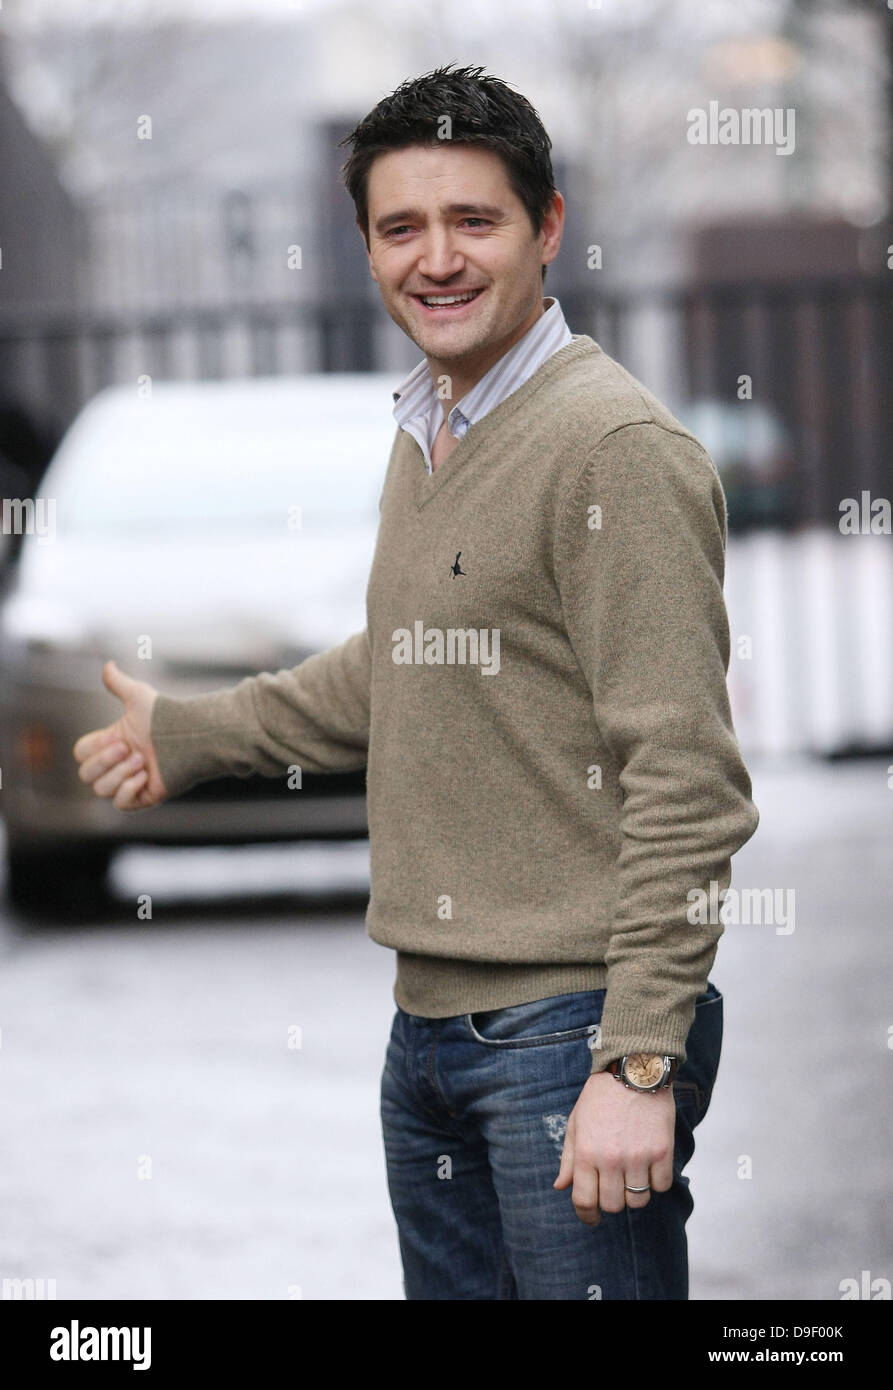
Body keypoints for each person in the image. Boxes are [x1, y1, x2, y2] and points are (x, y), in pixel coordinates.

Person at [73, 63, 759, 1301]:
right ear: (365, 247)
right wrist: (194, 732)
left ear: (546, 228)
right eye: (400, 227)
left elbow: (688, 781)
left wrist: (639, 1060)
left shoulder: (611, 451)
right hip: (430, 1037)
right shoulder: (438, 423)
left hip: (570, 1037)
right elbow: (403, 661)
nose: (434, 258)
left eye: (473, 221)